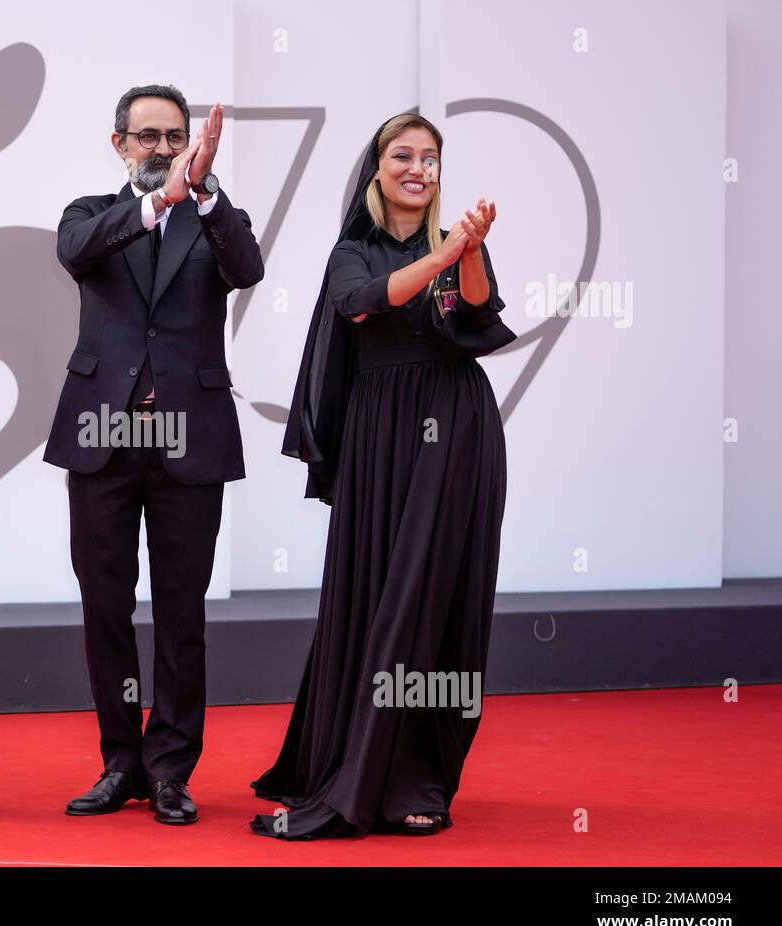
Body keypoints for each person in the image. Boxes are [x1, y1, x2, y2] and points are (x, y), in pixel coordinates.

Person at [254, 113, 516, 838]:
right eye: (404, 155)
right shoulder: (354, 252)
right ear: (377, 168)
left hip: (456, 433)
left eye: (431, 158)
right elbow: (368, 302)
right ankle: (353, 764)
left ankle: (415, 778)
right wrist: (449, 250)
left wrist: (468, 250)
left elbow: (474, 310)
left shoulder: (458, 244)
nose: (418, 168)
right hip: (380, 438)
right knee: (381, 597)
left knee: (432, 597)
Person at [45, 84, 264, 825]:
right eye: (148, 136)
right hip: (104, 439)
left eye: (175, 135)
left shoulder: (215, 215)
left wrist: (198, 194)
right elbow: (76, 252)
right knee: (105, 606)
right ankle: (120, 762)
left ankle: (171, 769)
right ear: (120, 145)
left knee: (180, 610)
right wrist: (157, 201)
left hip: (188, 439)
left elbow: (248, 268)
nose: (164, 148)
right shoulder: (91, 216)